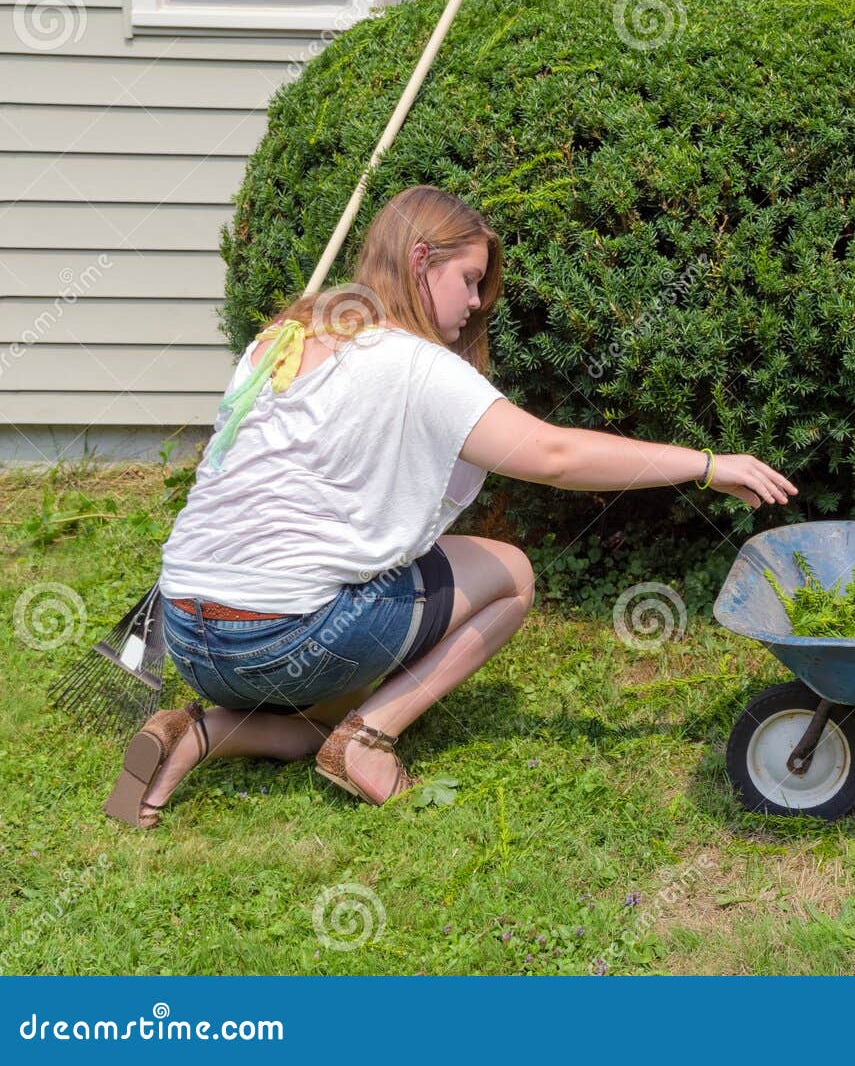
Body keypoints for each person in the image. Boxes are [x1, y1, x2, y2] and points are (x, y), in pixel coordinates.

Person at [104, 185, 796, 828]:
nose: (475, 305)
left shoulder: (277, 340)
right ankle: (368, 742)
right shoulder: (414, 362)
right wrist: (705, 466)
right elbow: (552, 455)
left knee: (327, 699)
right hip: (283, 639)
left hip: (187, 634)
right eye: (468, 280)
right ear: (419, 261)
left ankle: (195, 731)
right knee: (511, 575)